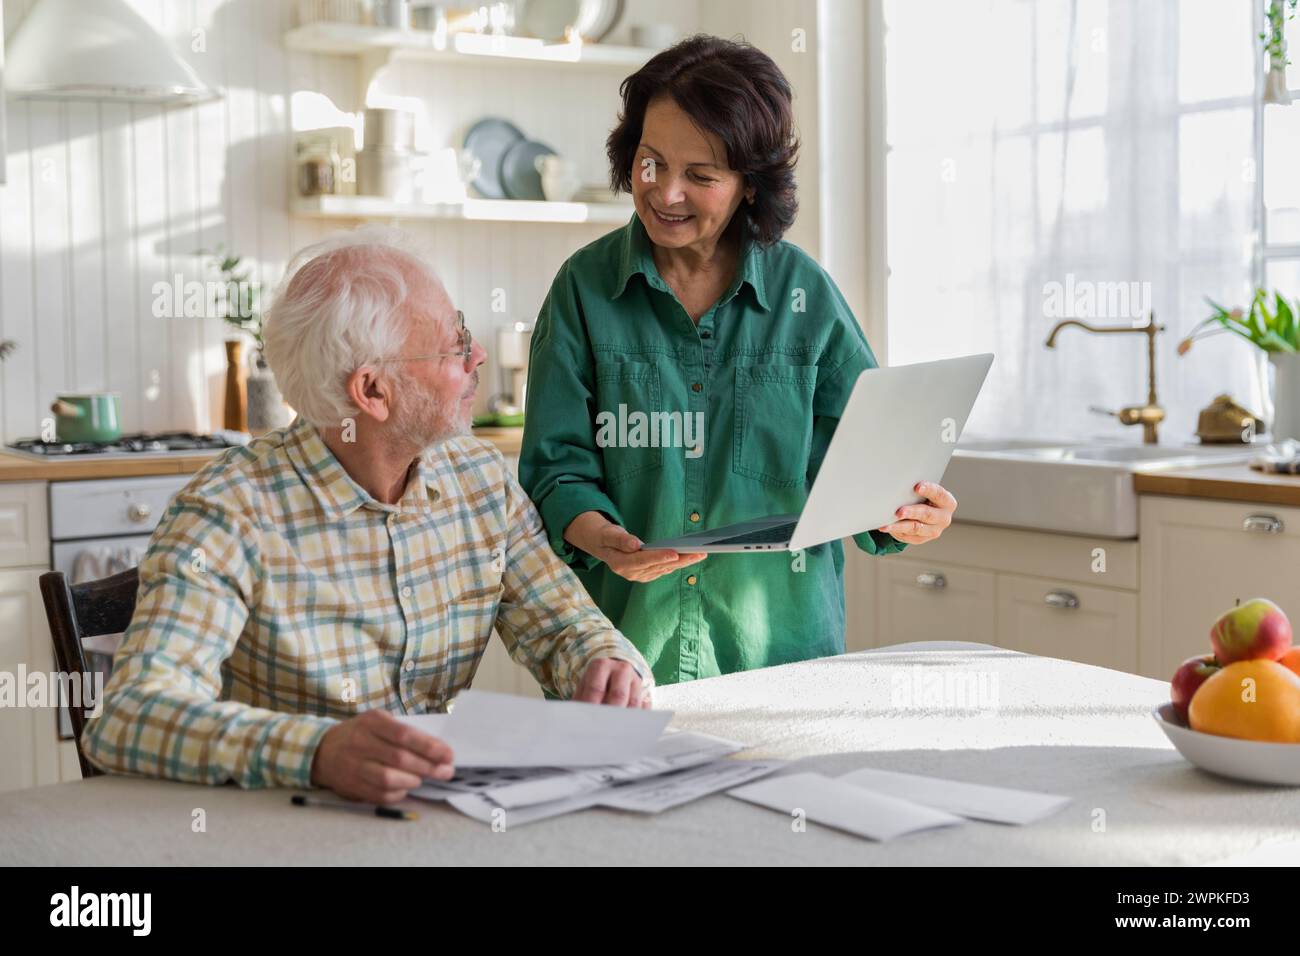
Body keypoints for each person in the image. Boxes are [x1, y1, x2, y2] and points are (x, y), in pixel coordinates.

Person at [82, 228, 653, 806]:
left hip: (437, 818)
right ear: (373, 391)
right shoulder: (229, 512)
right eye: (455, 343)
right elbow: (129, 717)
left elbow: (563, 625)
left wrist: (604, 663)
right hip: (284, 828)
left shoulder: (480, 479)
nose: (477, 355)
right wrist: (317, 753)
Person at [520, 36, 958, 685]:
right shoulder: (584, 289)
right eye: (651, 162)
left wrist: (914, 512)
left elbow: (872, 471)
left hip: (782, 661)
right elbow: (555, 468)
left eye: (700, 176)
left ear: (751, 185)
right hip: (623, 660)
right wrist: (596, 534)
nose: (666, 192)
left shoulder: (805, 296)